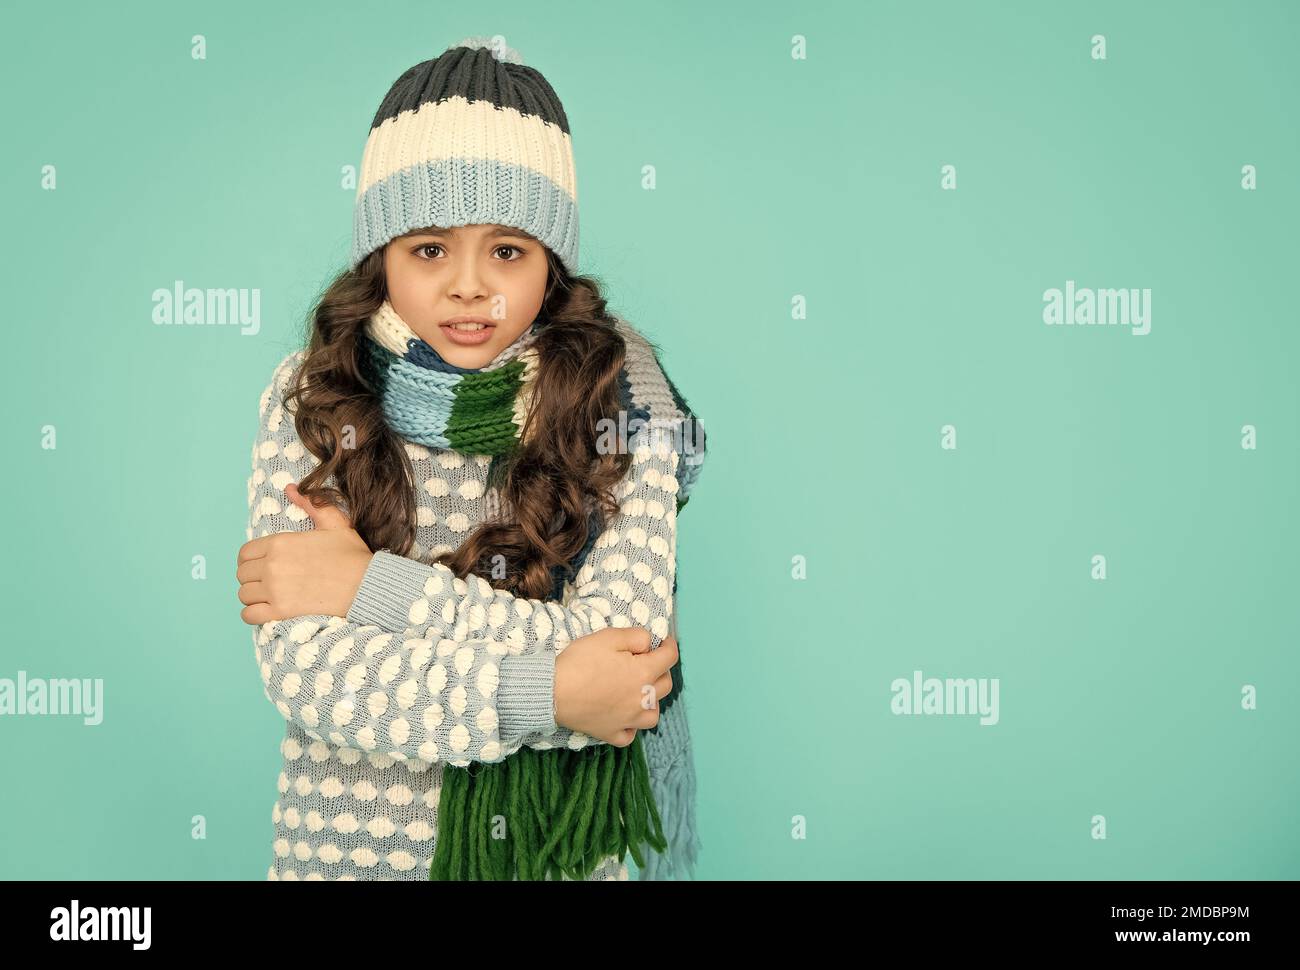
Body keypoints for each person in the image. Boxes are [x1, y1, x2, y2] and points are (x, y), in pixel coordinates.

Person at [234, 36, 707, 881]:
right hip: (342, 857)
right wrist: (553, 692)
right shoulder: (316, 394)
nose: (468, 285)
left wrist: (366, 588)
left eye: (508, 250)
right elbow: (312, 675)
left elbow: (624, 664)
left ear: (550, 262)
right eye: (428, 248)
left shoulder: (626, 406)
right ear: (379, 254)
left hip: (556, 858)